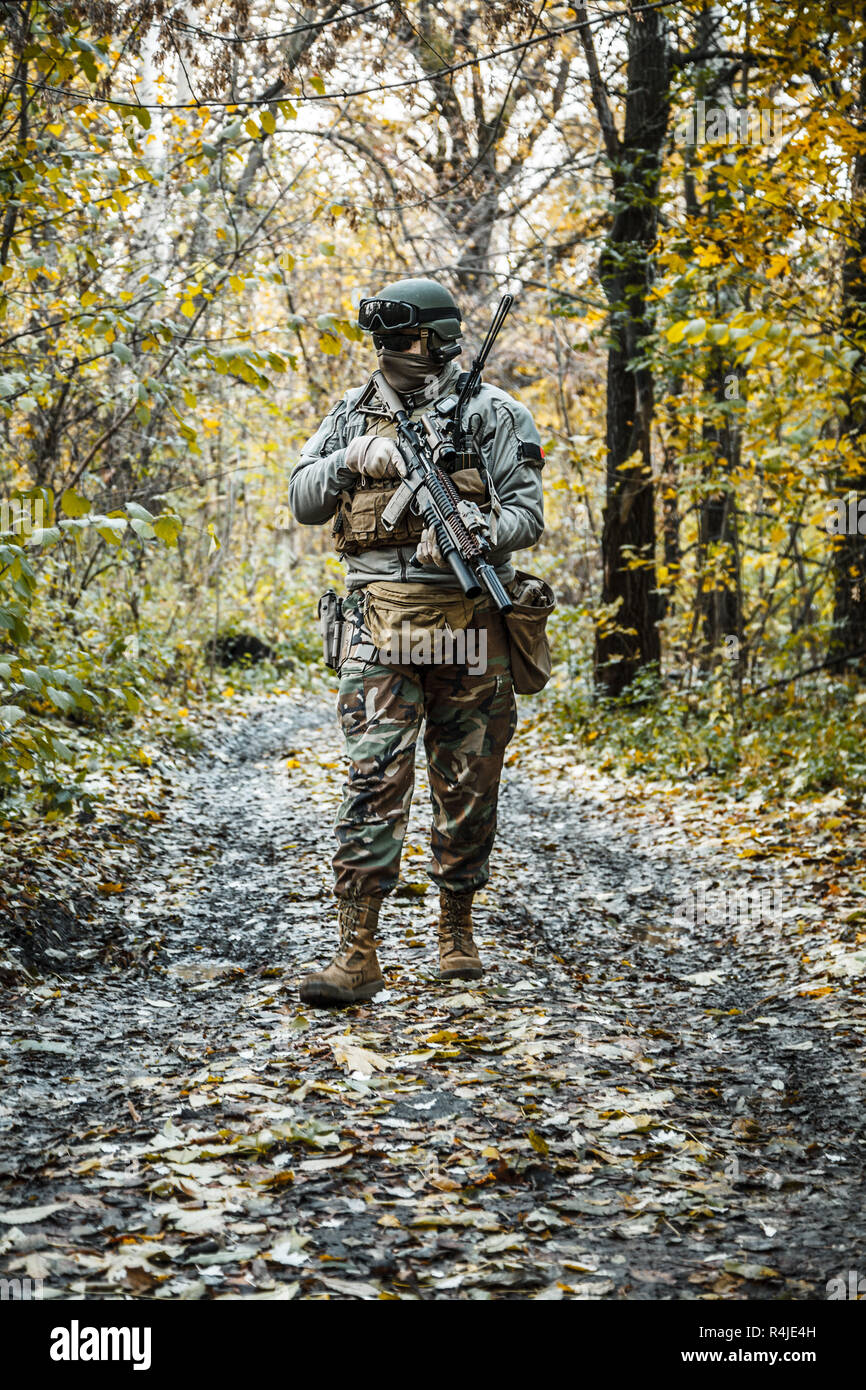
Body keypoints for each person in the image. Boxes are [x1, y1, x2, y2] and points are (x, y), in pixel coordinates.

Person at [289, 277, 545, 1006]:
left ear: (437, 340)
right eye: (382, 341)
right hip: (377, 625)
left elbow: (527, 514)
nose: (389, 353)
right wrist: (351, 459)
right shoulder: (352, 414)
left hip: (466, 625)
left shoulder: (495, 415)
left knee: (466, 782)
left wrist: (475, 531)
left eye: (402, 340)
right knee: (374, 783)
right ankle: (356, 951)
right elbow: (304, 498)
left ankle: (456, 930)